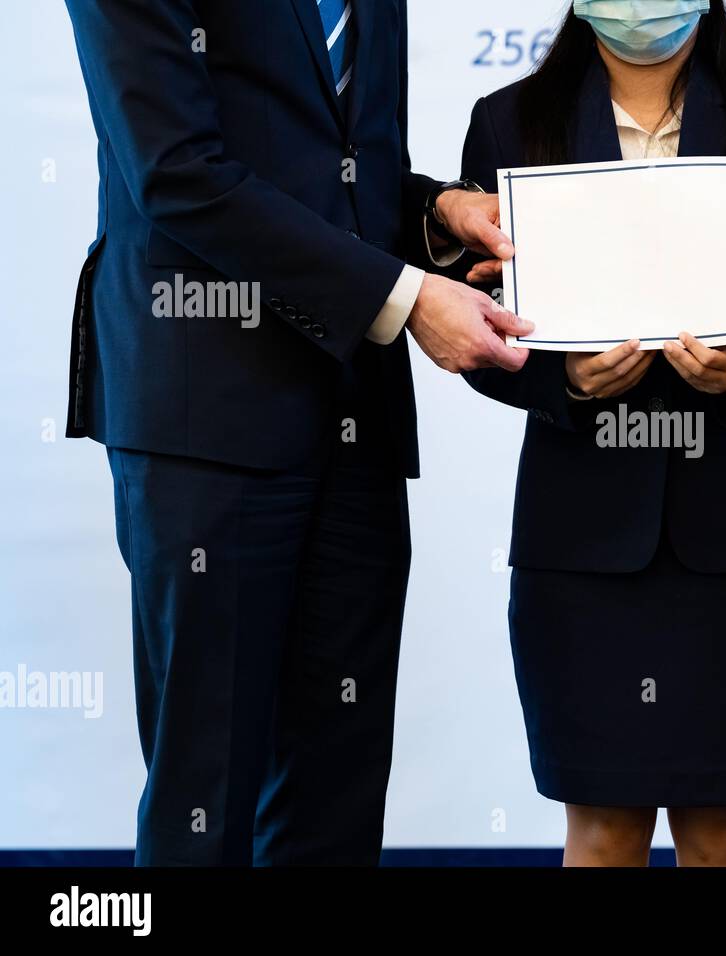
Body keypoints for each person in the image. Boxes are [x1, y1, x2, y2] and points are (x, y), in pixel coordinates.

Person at [63, 0, 530, 865]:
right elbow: (175, 171)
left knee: (336, 798)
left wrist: (433, 214)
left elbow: (333, 168)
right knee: (204, 798)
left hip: (356, 411)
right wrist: (404, 298)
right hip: (208, 414)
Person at [461, 0, 726, 867]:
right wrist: (560, 381)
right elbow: (477, 328)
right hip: (584, 539)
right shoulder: (508, 122)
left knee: (724, 834)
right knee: (601, 831)